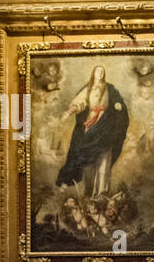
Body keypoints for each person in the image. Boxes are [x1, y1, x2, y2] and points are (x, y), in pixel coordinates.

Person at [55, 65, 130, 197]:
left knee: (104, 159)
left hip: (106, 126)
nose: (100, 73)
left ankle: (101, 194)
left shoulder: (110, 89)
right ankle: (88, 192)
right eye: (97, 71)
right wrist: (69, 111)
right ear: (93, 73)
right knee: (86, 160)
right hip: (90, 126)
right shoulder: (88, 88)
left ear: (104, 74)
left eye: (102, 71)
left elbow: (118, 101)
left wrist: (118, 105)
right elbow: (80, 103)